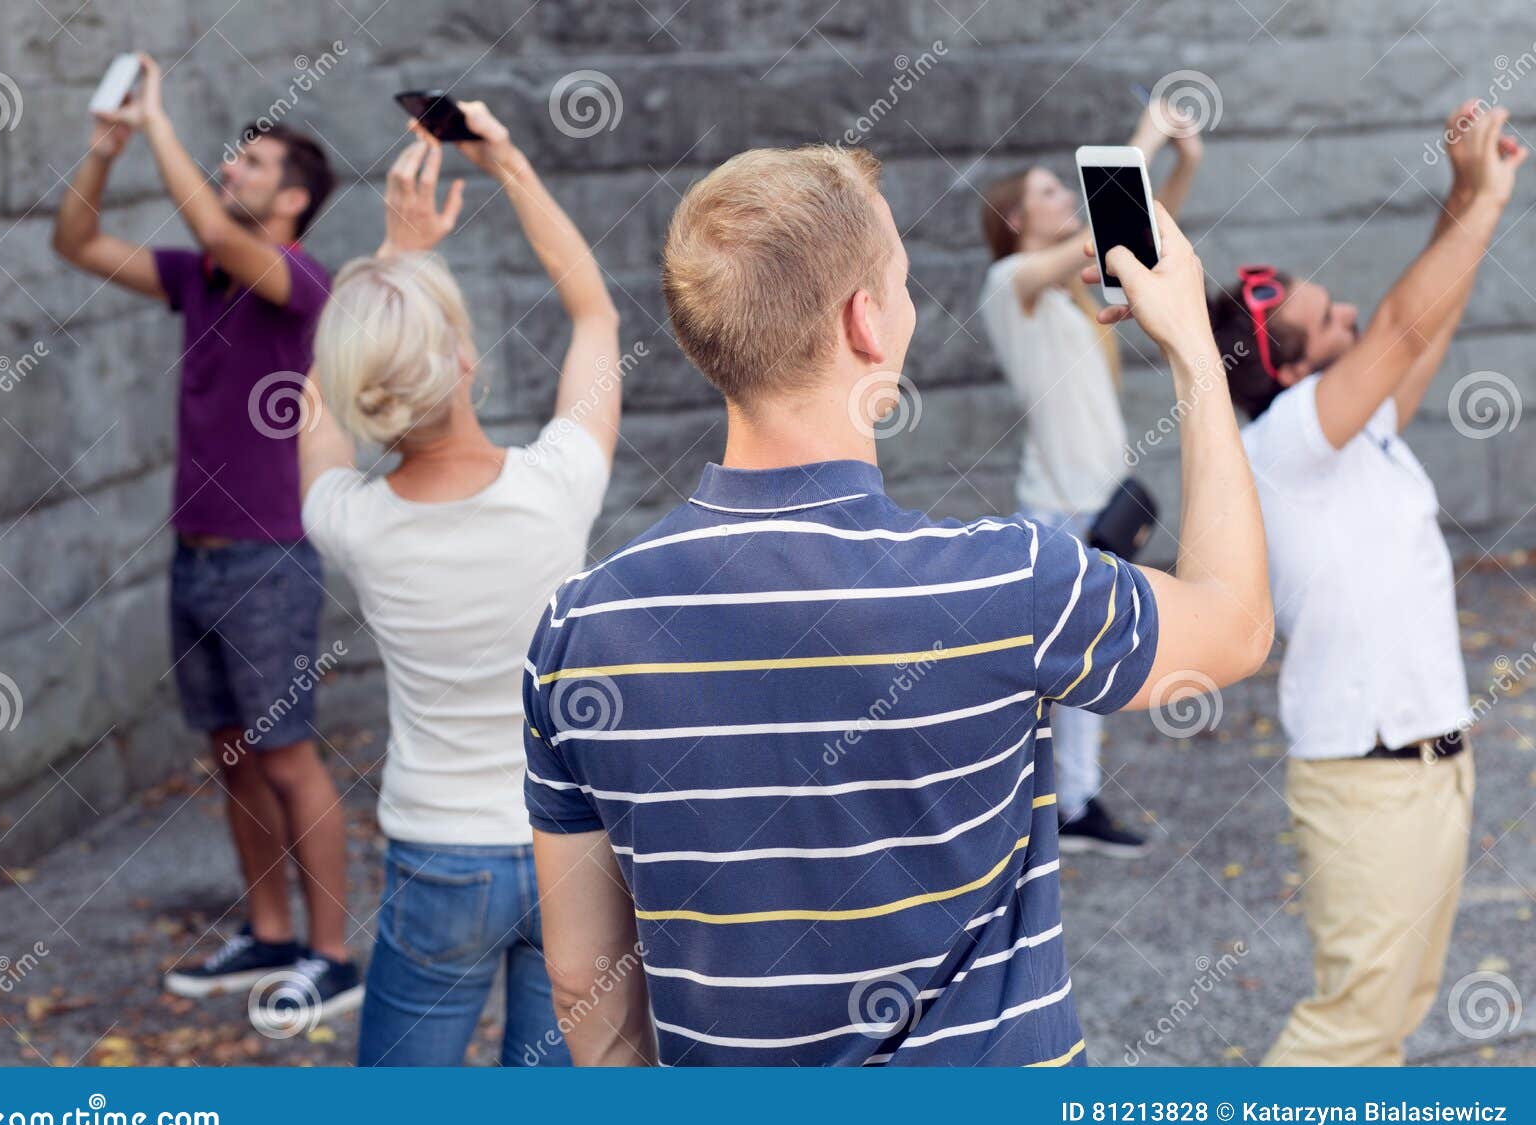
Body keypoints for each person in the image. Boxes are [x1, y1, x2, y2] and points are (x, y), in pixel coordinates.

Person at [522, 144, 1272, 1066]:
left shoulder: (578, 629)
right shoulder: (1006, 583)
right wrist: (1196, 345)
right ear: (866, 322)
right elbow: (1235, 623)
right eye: (903, 281)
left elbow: (583, 976)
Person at [299, 103, 621, 1065]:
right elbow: (595, 309)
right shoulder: (560, 488)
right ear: (467, 362)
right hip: (573, 849)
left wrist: (392, 260)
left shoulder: (349, 521)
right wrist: (510, 164)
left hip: (441, 856)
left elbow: (322, 390)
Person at [1207, 102, 1525, 1066]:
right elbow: (1398, 320)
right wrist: (1488, 198)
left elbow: (1427, 321)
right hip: (1368, 783)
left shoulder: (1359, 437)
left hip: (1432, 767)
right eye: (1324, 319)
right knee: (1346, 1030)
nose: (1348, 312)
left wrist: (1466, 198)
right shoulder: (1285, 444)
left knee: (1389, 1021)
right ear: (1289, 366)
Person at [50, 54, 359, 1018]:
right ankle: (269, 936)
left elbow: (215, 226)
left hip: (269, 558)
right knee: (230, 752)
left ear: (295, 196)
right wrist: (106, 150)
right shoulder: (200, 279)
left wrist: (159, 125)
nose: (236, 169)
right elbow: (77, 242)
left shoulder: (301, 279)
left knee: (287, 755)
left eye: (255, 163)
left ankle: (335, 952)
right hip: (198, 553)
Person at [976, 100, 1204, 857]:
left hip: (1096, 504)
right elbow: (1090, 237)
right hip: (1058, 512)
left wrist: (1184, 164)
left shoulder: (1069, 293)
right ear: (1012, 218)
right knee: (1060, 671)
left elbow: (1130, 249)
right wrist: (1137, 139)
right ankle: (1057, 805)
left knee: (1089, 666)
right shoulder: (1011, 285)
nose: (1058, 198)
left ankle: (1074, 801)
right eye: (1043, 191)